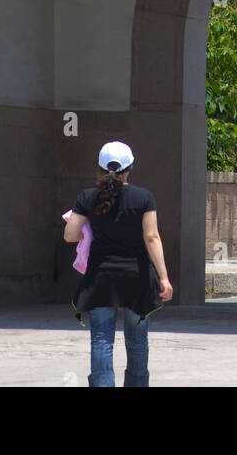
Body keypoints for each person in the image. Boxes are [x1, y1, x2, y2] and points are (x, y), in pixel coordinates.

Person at [64, 140, 173, 387]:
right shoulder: (144, 197)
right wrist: (164, 277)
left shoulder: (88, 197)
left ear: (99, 168)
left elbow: (70, 235)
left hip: (101, 280)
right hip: (138, 280)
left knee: (102, 340)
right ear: (130, 168)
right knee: (137, 341)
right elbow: (151, 237)